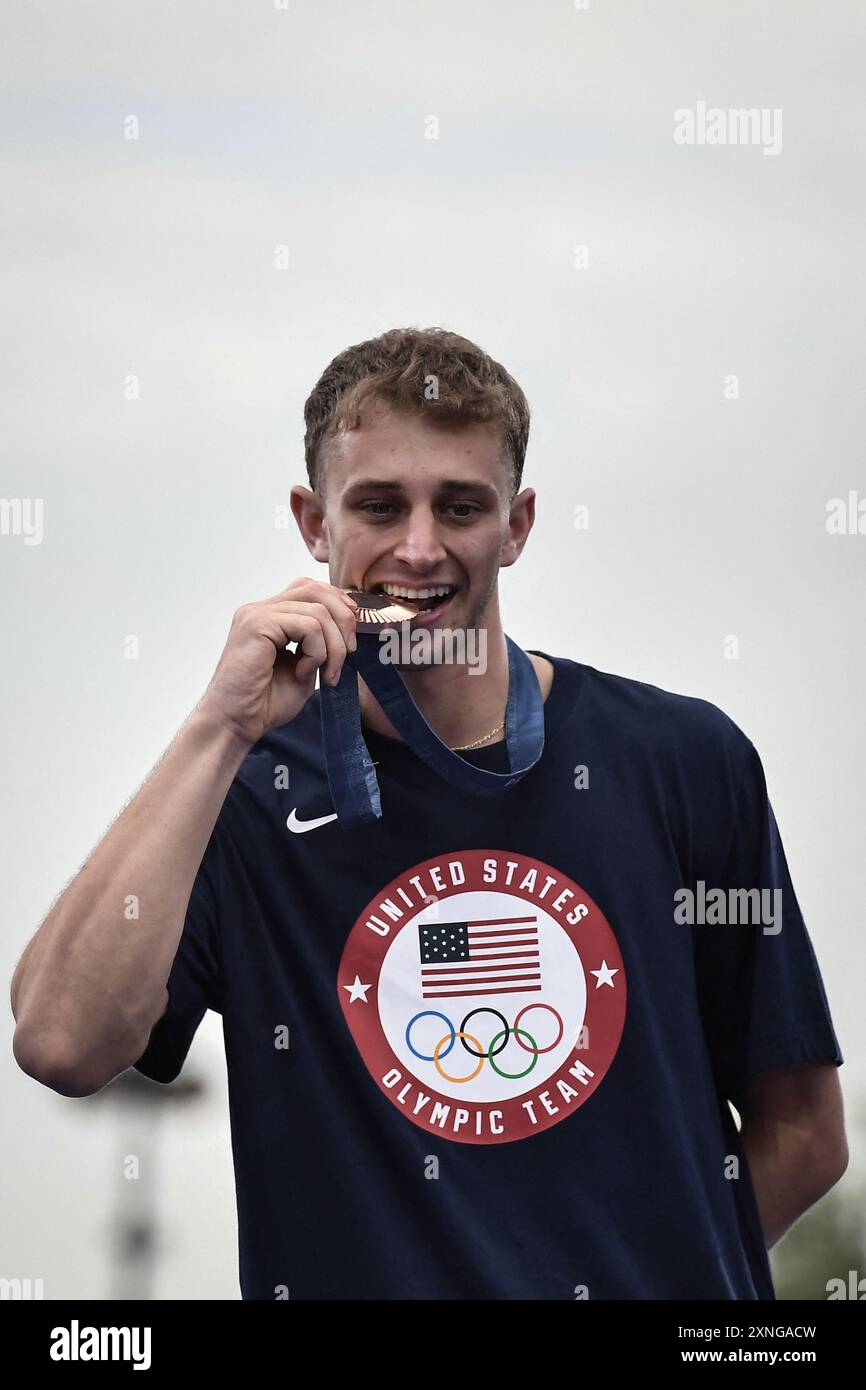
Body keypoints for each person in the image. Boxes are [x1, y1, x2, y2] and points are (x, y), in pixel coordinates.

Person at [11, 326, 847, 1300]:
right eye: (376, 505)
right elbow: (61, 1045)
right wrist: (219, 724)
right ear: (311, 523)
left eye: (459, 505)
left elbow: (803, 1132)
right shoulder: (239, 797)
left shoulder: (682, 761)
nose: (418, 546)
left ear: (517, 523)